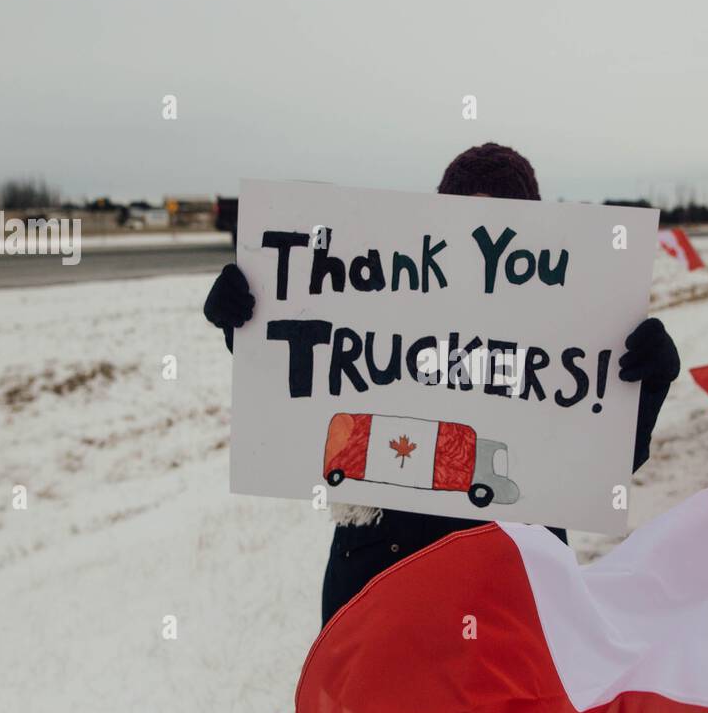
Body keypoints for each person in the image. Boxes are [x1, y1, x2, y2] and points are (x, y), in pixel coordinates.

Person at [203, 143, 682, 625]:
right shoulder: (387, 297)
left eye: (502, 221)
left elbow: (596, 468)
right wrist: (248, 322)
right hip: (383, 569)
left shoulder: (570, 324)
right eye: (464, 214)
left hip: (507, 588)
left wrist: (647, 385)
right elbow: (307, 387)